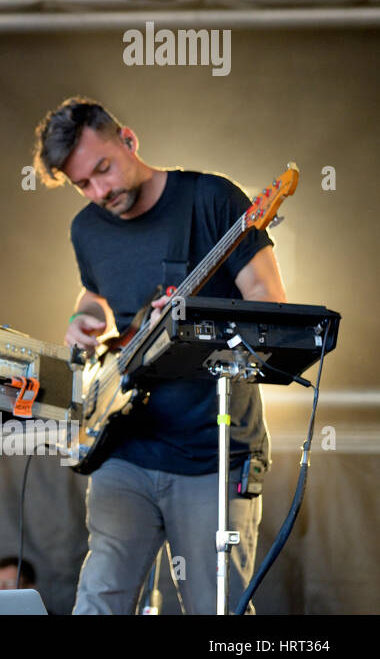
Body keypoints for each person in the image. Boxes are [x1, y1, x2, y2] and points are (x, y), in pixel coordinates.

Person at [33, 97, 287, 615]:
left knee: (216, 611)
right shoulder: (86, 230)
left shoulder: (212, 198)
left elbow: (272, 311)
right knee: (98, 601)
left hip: (211, 453)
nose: (100, 191)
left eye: (103, 168)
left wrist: (197, 323)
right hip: (125, 448)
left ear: (129, 140)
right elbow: (97, 297)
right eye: (83, 183)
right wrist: (83, 320)